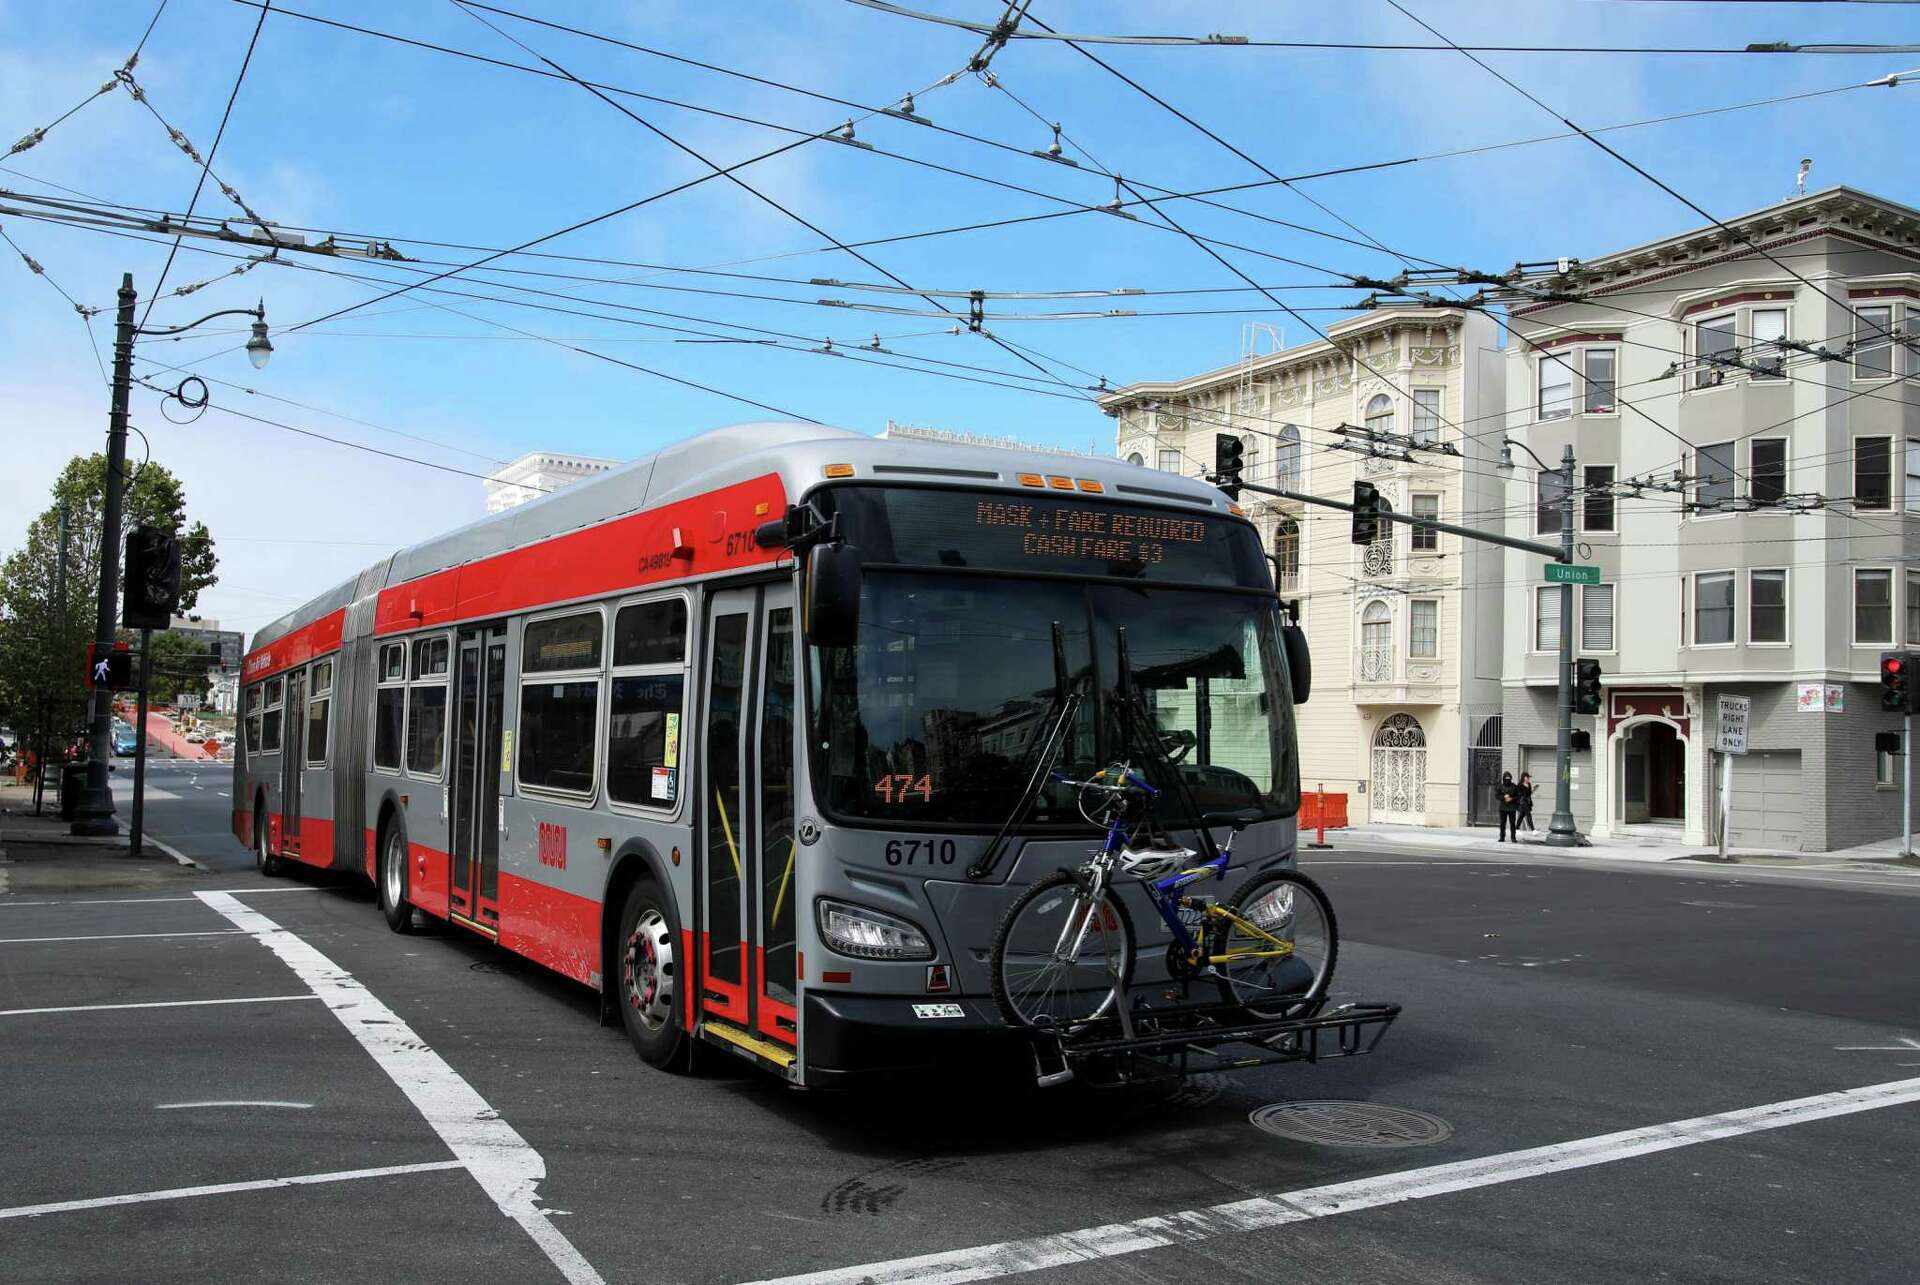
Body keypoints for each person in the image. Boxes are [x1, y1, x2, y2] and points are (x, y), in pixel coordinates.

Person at [1497, 771, 1518, 842]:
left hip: (1512, 808)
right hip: (1503, 807)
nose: (1507, 780)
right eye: (1506, 778)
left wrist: (1511, 799)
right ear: (1503, 779)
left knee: (1512, 824)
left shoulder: (1514, 786)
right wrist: (1503, 797)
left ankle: (1513, 837)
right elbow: (1497, 796)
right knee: (1502, 823)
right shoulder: (1500, 786)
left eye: (1509, 778)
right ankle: (1502, 837)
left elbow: (1518, 796)